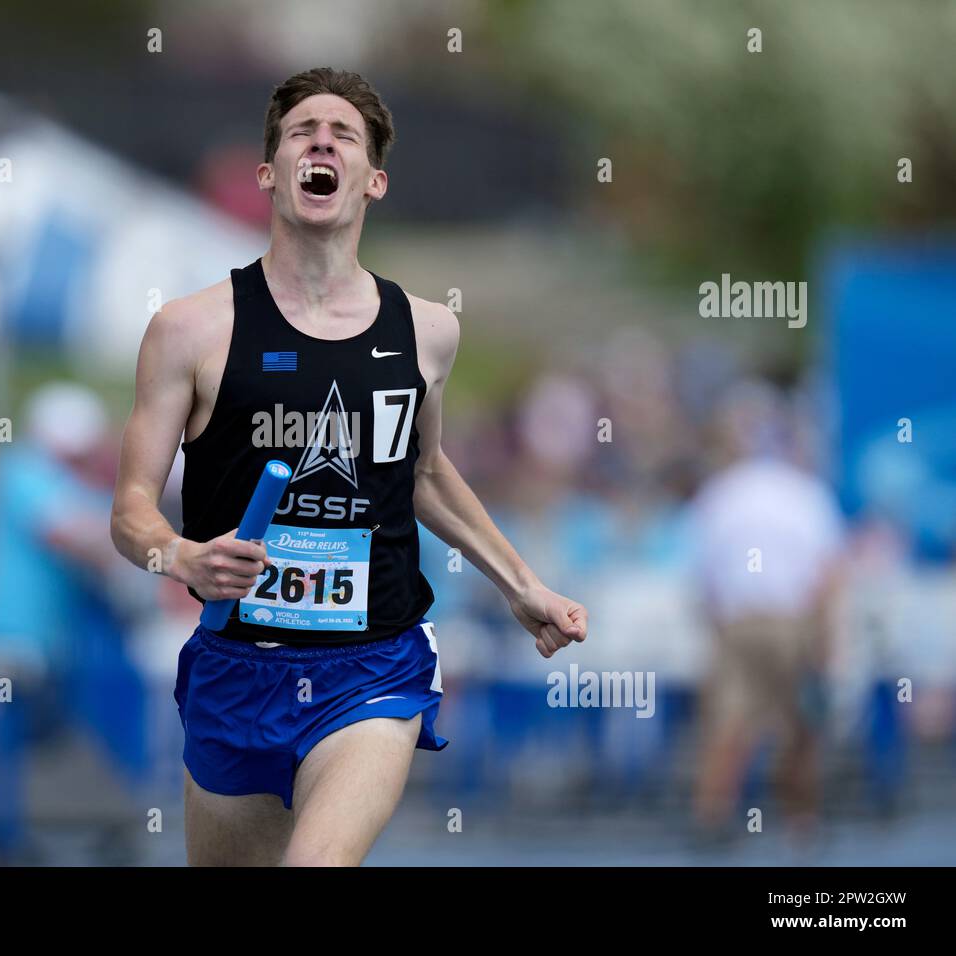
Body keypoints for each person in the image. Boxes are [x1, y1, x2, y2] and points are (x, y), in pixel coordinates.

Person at [111, 67, 588, 866]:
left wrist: (520, 584)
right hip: (238, 666)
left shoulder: (427, 331)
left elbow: (426, 473)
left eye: (344, 135)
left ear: (374, 181)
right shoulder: (189, 329)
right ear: (270, 173)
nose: (322, 141)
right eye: (303, 132)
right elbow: (130, 511)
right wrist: (183, 555)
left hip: (370, 666)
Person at [688, 381, 845, 844]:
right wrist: (826, 641)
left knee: (730, 722)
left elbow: (704, 577)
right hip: (790, 622)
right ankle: (801, 823)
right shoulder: (805, 493)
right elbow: (829, 574)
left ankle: (713, 816)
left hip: (738, 622)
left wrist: (717, 630)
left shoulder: (721, 493)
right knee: (800, 726)